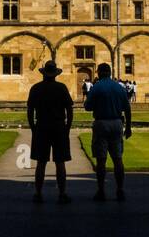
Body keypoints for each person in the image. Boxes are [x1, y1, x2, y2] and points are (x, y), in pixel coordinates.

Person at [26, 59, 73, 204]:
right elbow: (69, 110)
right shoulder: (61, 88)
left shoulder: (36, 88)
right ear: (55, 74)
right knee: (60, 162)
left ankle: (38, 194)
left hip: (42, 126)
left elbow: (30, 111)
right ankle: (62, 194)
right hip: (59, 127)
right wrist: (67, 127)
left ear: (44, 74)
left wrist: (33, 127)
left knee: (41, 162)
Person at [84, 62, 132, 202]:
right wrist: (128, 127)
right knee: (118, 159)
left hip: (101, 123)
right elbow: (127, 108)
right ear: (110, 72)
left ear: (98, 72)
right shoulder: (118, 87)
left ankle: (101, 191)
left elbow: (87, 107)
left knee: (101, 160)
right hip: (117, 123)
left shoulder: (96, 87)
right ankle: (120, 190)